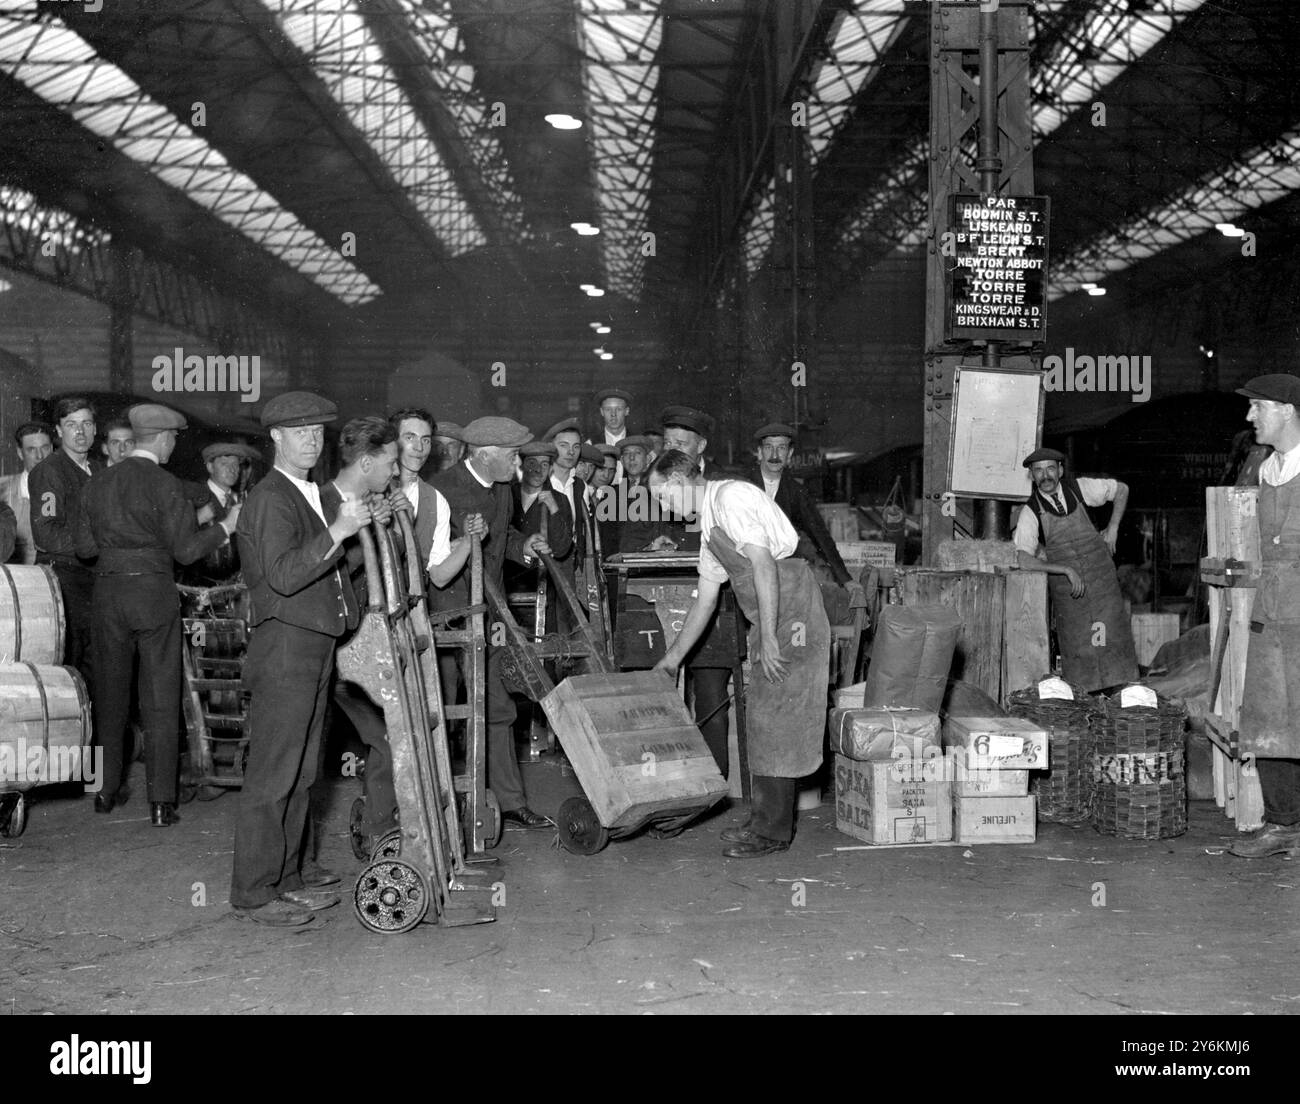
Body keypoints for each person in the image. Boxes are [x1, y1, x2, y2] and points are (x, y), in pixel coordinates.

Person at [231, 391, 368, 926]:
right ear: (276, 438)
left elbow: (325, 569)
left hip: (314, 643)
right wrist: (339, 531)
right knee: (273, 774)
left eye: (318, 430)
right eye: (300, 431)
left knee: (304, 770)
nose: (312, 439)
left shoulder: (307, 492)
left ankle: (287, 875)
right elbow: (285, 576)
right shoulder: (270, 497)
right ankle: (253, 893)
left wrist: (361, 531)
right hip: (286, 646)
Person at [649, 450, 829, 857]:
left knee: (779, 714)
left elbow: (764, 566)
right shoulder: (710, 525)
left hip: (791, 611)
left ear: (678, 479)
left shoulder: (730, 498)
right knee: (764, 715)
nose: (662, 505)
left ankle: (773, 832)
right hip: (771, 617)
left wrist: (768, 635)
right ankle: (764, 818)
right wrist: (672, 659)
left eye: (662, 495)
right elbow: (705, 602)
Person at [75, 404, 236, 824]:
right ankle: (162, 803)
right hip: (153, 594)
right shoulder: (167, 486)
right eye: (173, 440)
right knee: (160, 697)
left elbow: (84, 548)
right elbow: (185, 550)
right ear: (164, 438)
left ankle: (105, 792)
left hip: (109, 594)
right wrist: (225, 526)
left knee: (109, 694)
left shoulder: (98, 483)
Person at [429, 416, 552, 830]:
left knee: (498, 706)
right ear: (483, 455)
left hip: (491, 612)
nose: (518, 465)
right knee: (441, 709)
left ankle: (509, 800)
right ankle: (438, 804)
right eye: (513, 456)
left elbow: (506, 537)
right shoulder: (441, 490)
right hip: (444, 617)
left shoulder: (502, 489)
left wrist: (526, 547)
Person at [323, 418, 406, 852]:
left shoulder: (370, 505)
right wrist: (363, 535)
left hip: (368, 653)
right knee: (387, 737)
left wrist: (383, 529)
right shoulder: (322, 505)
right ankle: (382, 833)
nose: (396, 471)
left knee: (396, 736)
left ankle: (388, 821)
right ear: (367, 462)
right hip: (338, 656)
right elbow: (323, 575)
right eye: (391, 462)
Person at [1229, 374, 1300, 859]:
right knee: (1268, 719)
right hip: (1269, 613)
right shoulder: (1267, 468)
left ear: (1288, 410)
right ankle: (1284, 826)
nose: (1251, 416)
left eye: (1259, 407)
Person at [1012, 446, 1138, 693]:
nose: (1045, 475)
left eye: (1050, 468)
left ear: (1059, 470)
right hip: (1071, 593)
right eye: (1038, 471)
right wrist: (1064, 569)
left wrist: (1113, 528)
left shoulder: (1080, 488)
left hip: (1102, 583)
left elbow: (1121, 490)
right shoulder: (1030, 511)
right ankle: (1086, 709)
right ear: (1032, 475)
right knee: (1080, 654)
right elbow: (1023, 560)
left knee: (1112, 643)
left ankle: (1124, 702)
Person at [30, 396, 100, 688]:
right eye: (71, 425)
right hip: (64, 583)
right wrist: (98, 542)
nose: (80, 431)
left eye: (86, 423)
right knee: (69, 674)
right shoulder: (50, 471)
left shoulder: (100, 470)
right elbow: (46, 533)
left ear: (96, 429)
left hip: (94, 583)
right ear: (58, 431)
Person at [746, 422, 852, 585]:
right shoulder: (742, 485)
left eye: (781, 448)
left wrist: (845, 580)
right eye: (768, 447)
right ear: (759, 453)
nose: (774, 455)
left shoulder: (796, 492)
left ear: (790, 454)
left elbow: (820, 535)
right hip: (742, 571)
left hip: (776, 574)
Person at [182, 441, 260, 585]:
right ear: (210, 467)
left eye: (236, 465)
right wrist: (197, 519)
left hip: (237, 589)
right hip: (200, 590)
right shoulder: (192, 499)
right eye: (224, 464)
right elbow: (179, 544)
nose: (232, 470)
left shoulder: (245, 501)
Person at [0, 422, 52, 565]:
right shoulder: (2, 489)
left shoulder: (65, 489)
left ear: (52, 449)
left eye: (45, 448)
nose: (40, 456)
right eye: (31, 449)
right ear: (19, 452)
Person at [588, 388, 632, 482]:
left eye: (619, 409)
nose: (613, 414)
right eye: (608, 409)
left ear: (627, 411)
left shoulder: (637, 442)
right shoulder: (590, 444)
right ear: (601, 412)